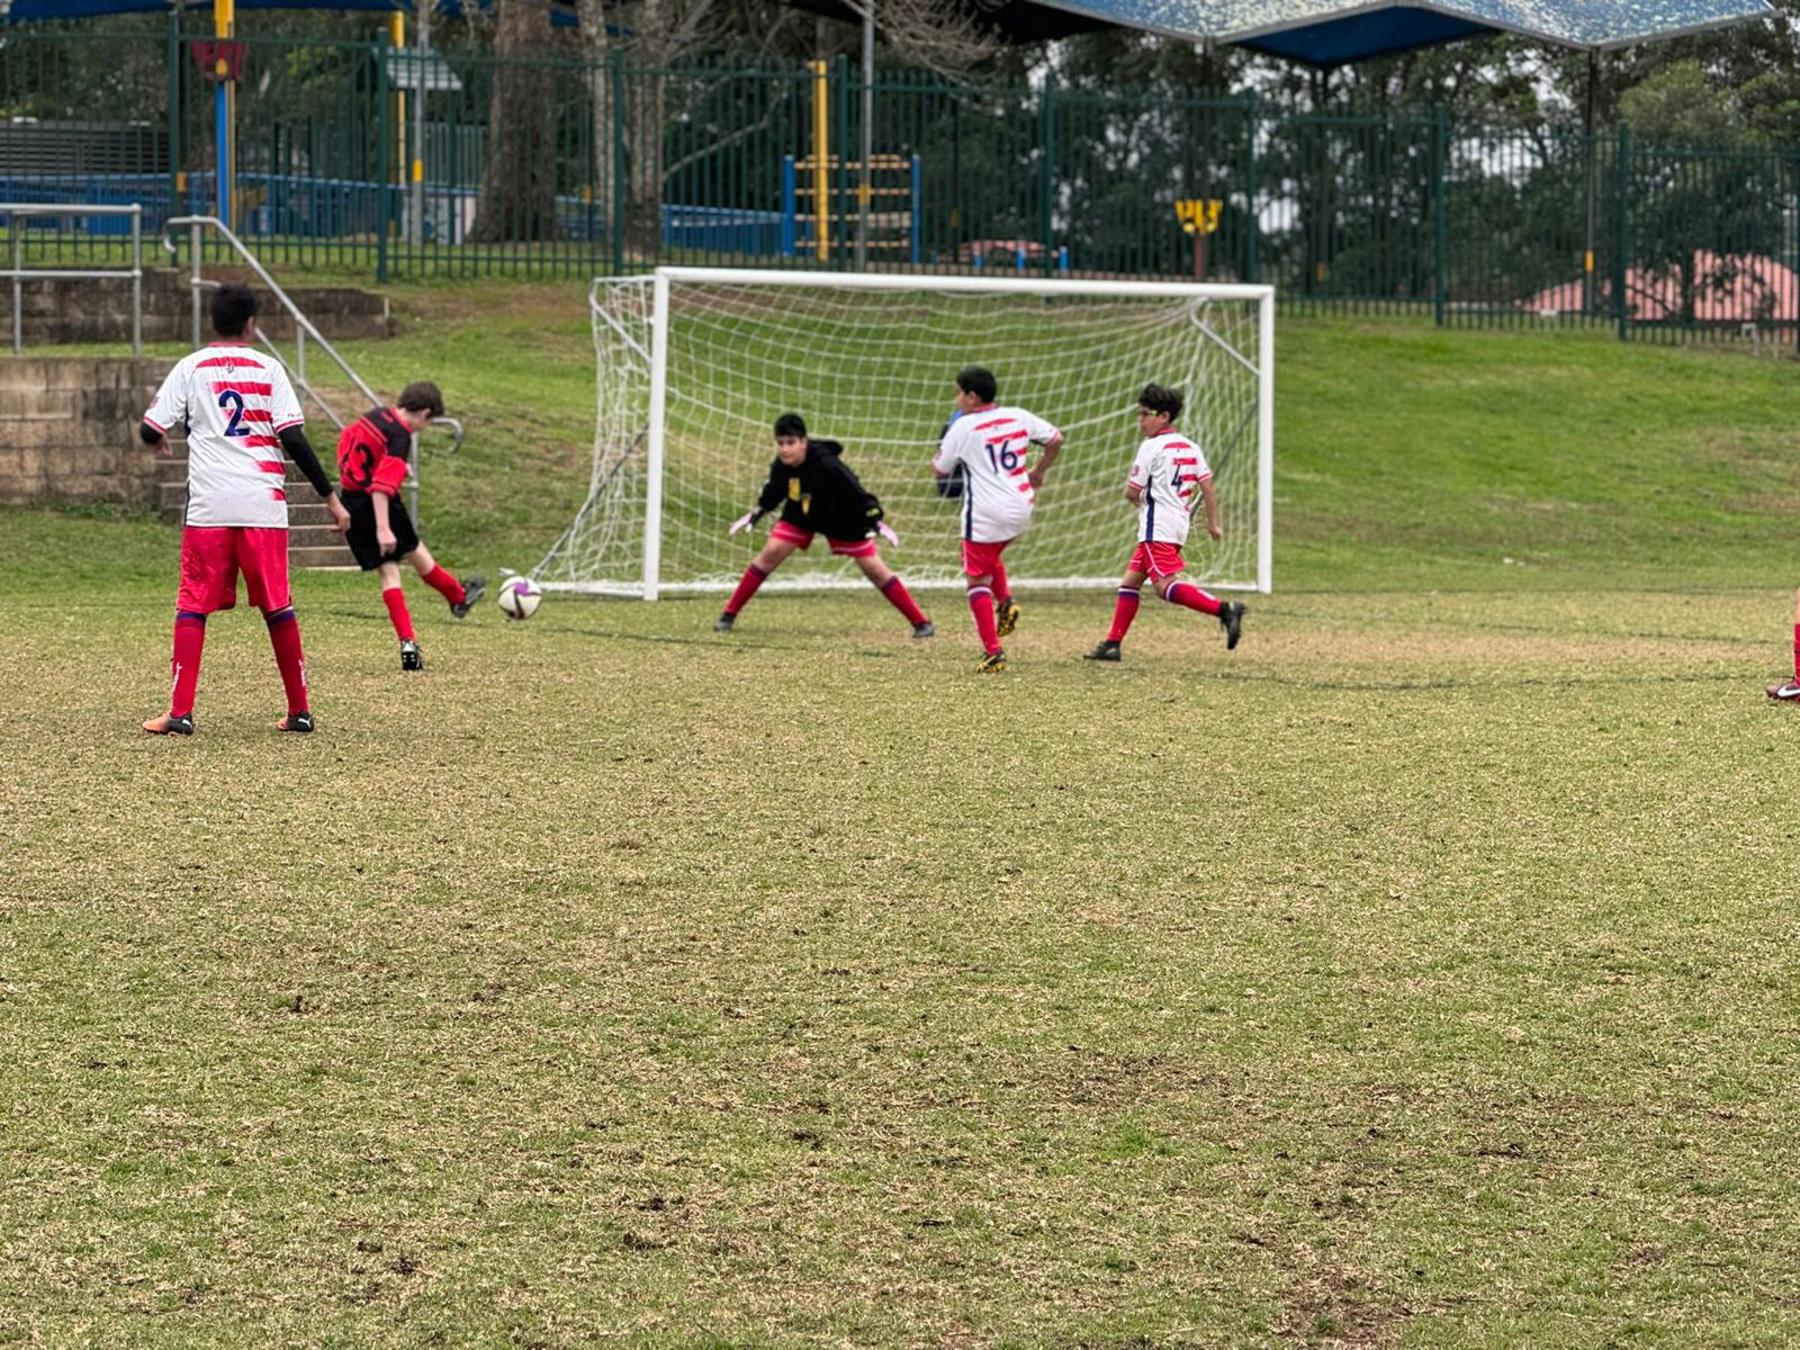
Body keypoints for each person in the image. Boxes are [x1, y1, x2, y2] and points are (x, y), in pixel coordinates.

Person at [139, 283, 350, 735]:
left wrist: (157, 439)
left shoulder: (191, 367)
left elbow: (150, 427)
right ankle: (300, 711)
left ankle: (180, 713)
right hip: (263, 507)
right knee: (278, 605)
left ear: (212, 322)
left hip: (209, 507)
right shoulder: (270, 369)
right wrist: (329, 497)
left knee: (193, 604)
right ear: (251, 325)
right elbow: (292, 438)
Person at [715, 413, 933, 638]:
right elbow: (774, 492)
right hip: (801, 513)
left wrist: (875, 520)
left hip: (840, 517)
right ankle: (728, 615)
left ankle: (921, 623)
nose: (785, 449)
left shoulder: (828, 465)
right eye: (780, 443)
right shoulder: (782, 466)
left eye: (791, 443)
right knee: (771, 552)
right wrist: (758, 512)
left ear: (803, 441)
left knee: (874, 569)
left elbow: (855, 493)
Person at [1084, 383, 1245, 663]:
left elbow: (1131, 491)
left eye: (1145, 414)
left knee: (1164, 586)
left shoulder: (1151, 447)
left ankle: (1224, 610)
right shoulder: (1190, 446)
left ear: (1164, 417)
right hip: (1177, 526)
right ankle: (1112, 643)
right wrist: (1213, 524)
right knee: (1130, 582)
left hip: (1156, 527)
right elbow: (1208, 487)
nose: (1140, 420)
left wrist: (1143, 503)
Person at [335, 381, 484, 672]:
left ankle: (408, 643)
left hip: (351, 500)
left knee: (389, 573)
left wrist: (395, 469)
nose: (423, 428)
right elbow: (381, 488)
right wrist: (383, 528)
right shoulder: (400, 435)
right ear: (424, 413)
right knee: (417, 553)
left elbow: (348, 445)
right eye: (427, 423)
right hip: (379, 506)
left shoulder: (374, 416)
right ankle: (458, 597)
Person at [931, 366, 1064, 672]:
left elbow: (940, 469)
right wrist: (1039, 470)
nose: (956, 399)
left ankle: (993, 652)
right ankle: (1005, 602)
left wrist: (945, 452)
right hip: (1021, 506)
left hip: (986, 511)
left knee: (976, 578)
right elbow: (1056, 439)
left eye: (958, 393)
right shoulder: (1018, 416)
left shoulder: (963, 426)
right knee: (986, 555)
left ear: (972, 396)